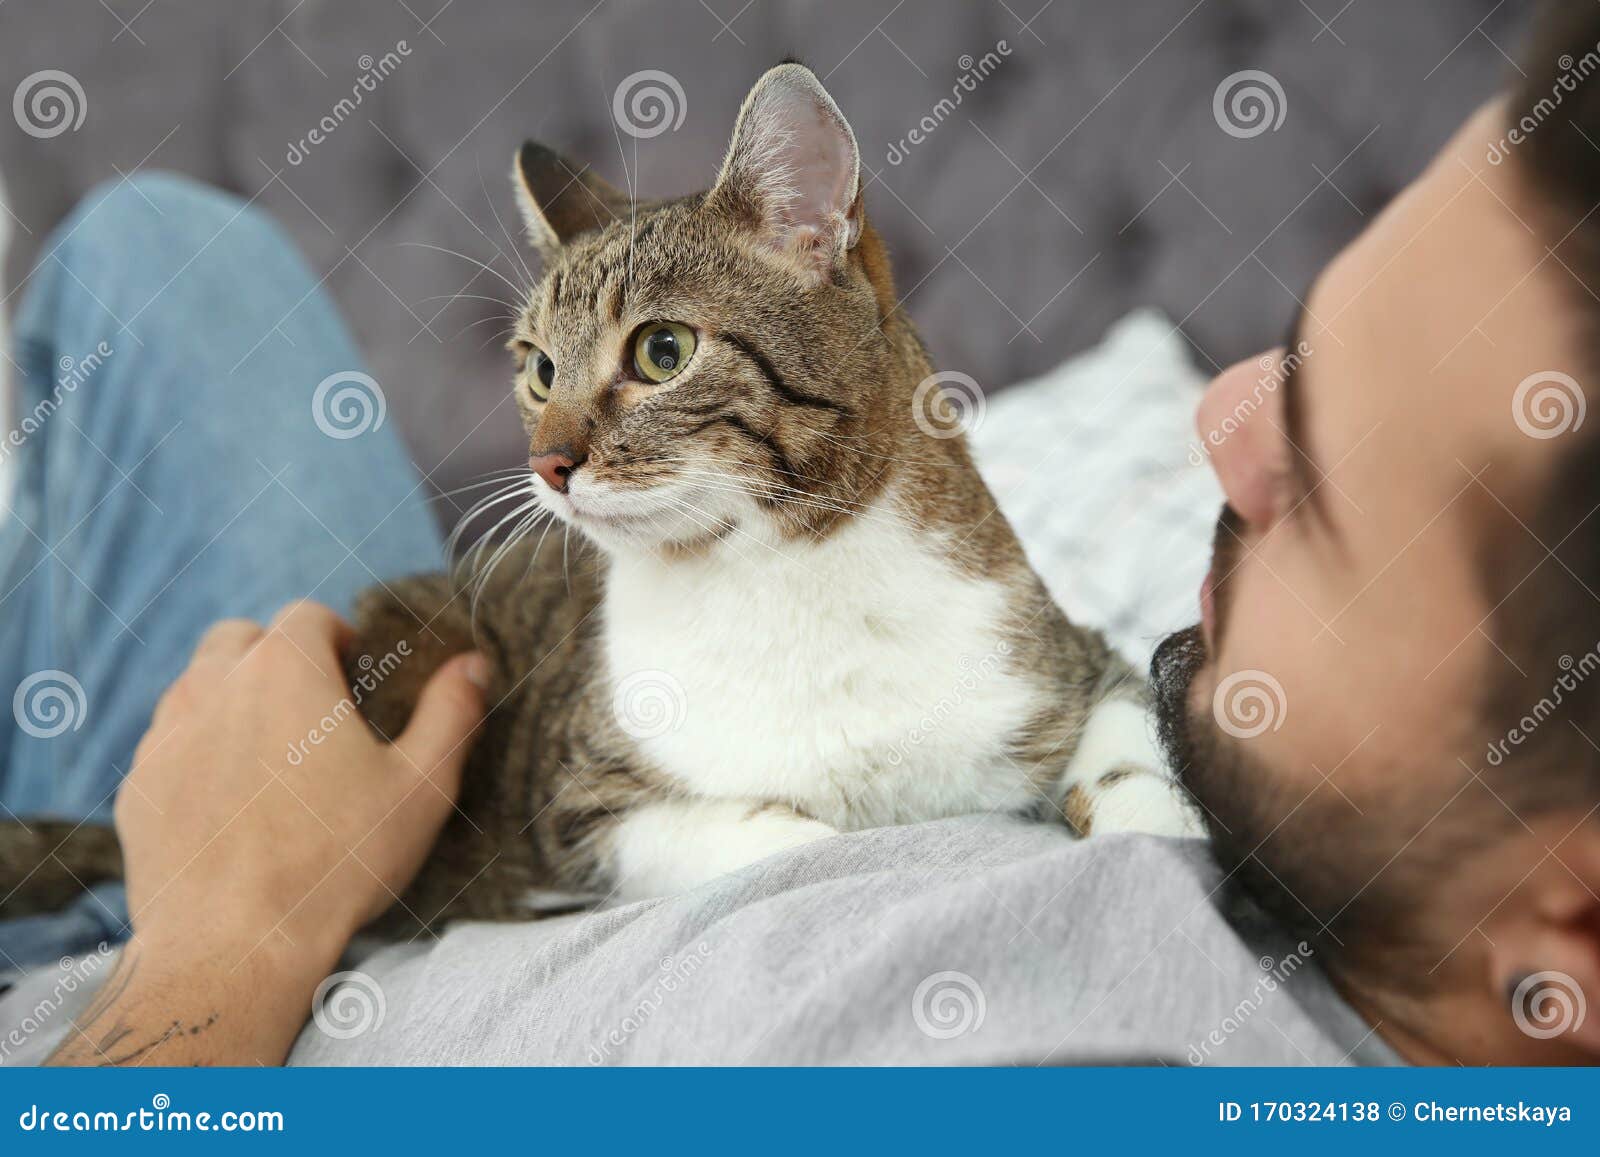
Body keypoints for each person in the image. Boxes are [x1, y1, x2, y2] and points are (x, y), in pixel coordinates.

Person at [3, 1, 1598, 1066]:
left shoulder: (1082, 1037)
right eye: (1275, 372)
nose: (1217, 423)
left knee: (156, 265)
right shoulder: (1264, 868)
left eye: (1309, 483)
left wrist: (214, 943)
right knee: (164, 250)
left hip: (173, 958)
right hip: (362, 754)